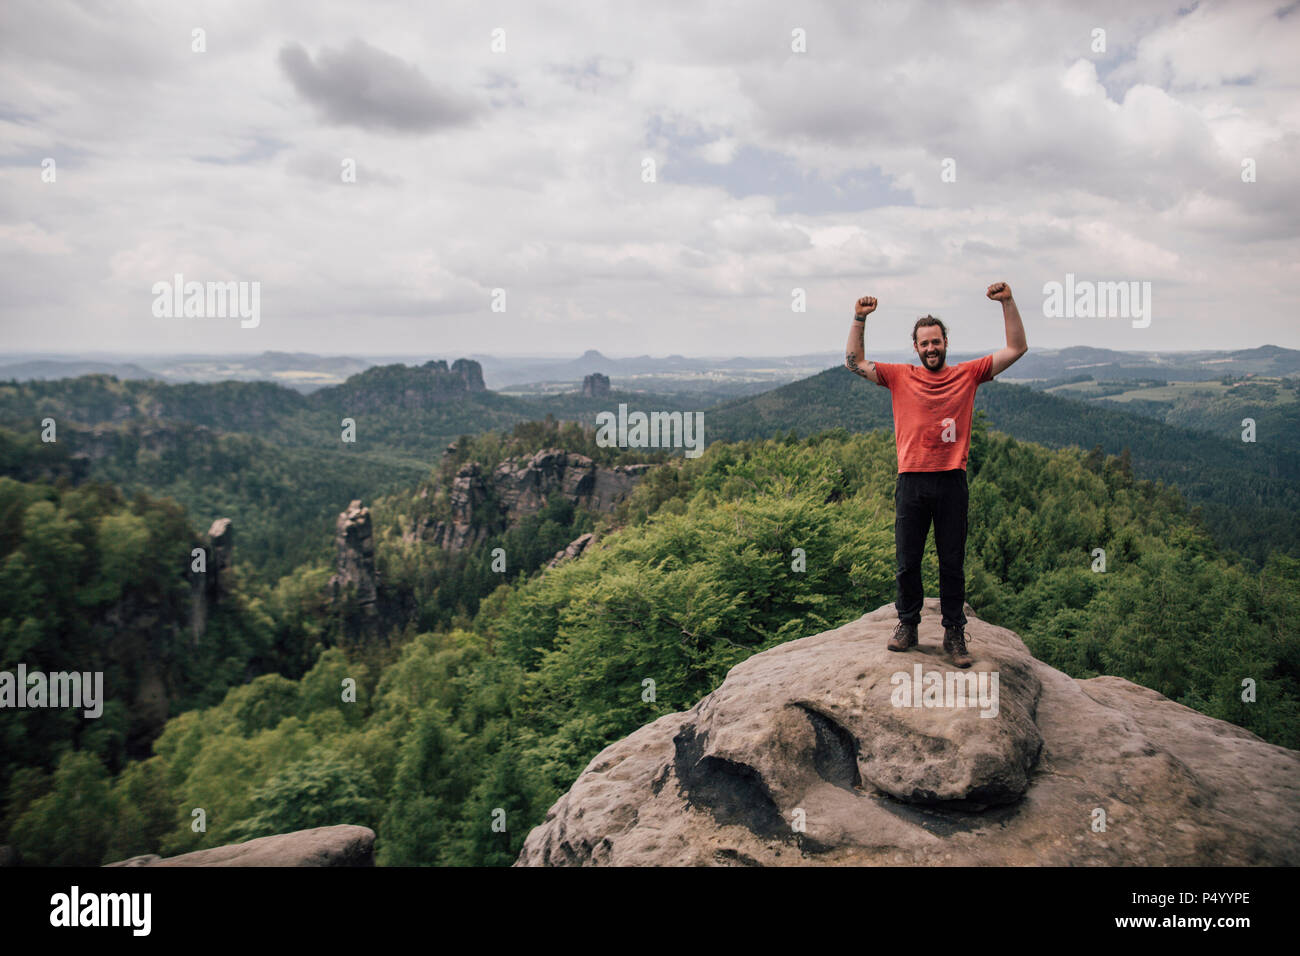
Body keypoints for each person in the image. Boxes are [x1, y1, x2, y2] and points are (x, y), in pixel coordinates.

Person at [844, 283, 1027, 667]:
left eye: (936, 342)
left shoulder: (968, 374)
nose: (931, 349)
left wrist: (1007, 302)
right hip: (911, 480)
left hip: (950, 480)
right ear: (916, 347)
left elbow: (1016, 349)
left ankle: (954, 634)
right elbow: (853, 361)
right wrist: (859, 318)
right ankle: (907, 625)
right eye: (924, 343)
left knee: (951, 561)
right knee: (907, 561)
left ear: (946, 343)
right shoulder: (900, 376)